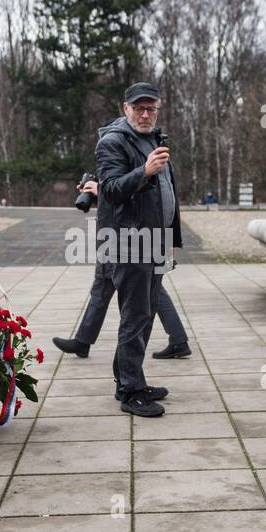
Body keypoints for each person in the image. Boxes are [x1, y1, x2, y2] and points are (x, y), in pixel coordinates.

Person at [95, 83, 182, 417]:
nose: (146, 114)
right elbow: (112, 190)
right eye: (139, 108)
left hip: (155, 241)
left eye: (152, 108)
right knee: (135, 317)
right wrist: (144, 171)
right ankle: (130, 391)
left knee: (144, 315)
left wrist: (172, 242)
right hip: (128, 242)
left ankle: (131, 379)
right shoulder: (112, 142)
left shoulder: (154, 139)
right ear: (125, 108)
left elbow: (167, 195)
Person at [53, 179, 191, 360]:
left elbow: (137, 194)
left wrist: (100, 190)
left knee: (111, 285)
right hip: (132, 235)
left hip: (126, 237)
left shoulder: (136, 157)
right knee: (136, 287)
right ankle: (178, 340)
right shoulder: (138, 157)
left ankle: (83, 341)